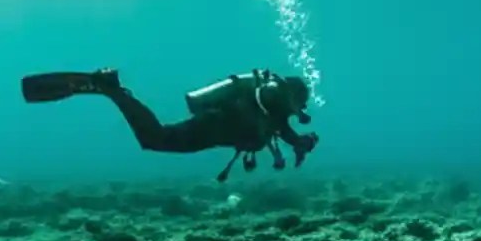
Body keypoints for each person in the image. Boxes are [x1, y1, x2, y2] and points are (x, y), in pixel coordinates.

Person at [21, 67, 319, 182]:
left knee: (156, 139)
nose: (297, 112)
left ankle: (114, 92)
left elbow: (284, 131)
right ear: (294, 96)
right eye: (299, 106)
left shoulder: (273, 106)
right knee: (156, 138)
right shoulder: (276, 102)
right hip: (213, 128)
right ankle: (113, 90)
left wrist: (300, 144)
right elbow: (283, 127)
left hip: (215, 129)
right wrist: (298, 142)